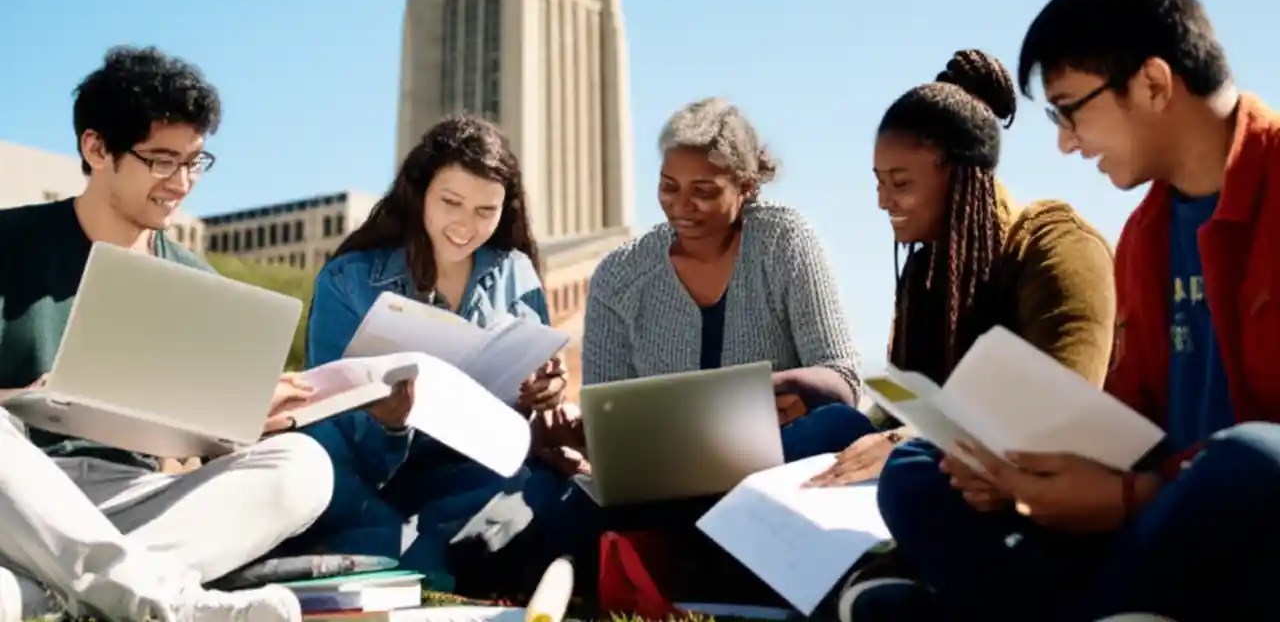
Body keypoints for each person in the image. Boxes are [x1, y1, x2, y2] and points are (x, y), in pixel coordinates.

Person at [845, 0, 1280, 622]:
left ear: (1154, 83)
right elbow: (1132, 423)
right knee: (917, 477)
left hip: (1239, 523)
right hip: (1142, 528)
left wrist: (1130, 497)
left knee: (1252, 463)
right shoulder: (1144, 234)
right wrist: (1021, 478)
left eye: (1071, 111)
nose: (1068, 144)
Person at [0, 46, 334, 622]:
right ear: (96, 148)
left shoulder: (197, 283)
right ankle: (164, 602)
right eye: (161, 161)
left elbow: (186, 464)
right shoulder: (10, 243)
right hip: (22, 494)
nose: (181, 183)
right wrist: (28, 400)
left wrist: (236, 420)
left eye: (194, 162)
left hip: (136, 499)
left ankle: (53, 596)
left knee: (303, 468)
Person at [809, 48, 1115, 491]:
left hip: (1045, 490)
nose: (882, 201)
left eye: (901, 183)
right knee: (831, 427)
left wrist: (905, 440)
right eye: (879, 182)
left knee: (910, 466)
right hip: (942, 475)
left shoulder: (1058, 247)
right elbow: (908, 406)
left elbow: (1057, 408)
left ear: (962, 179)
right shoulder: (926, 271)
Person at [296, 115, 569, 593]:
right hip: (375, 480)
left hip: (475, 472)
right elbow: (324, 422)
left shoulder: (517, 273)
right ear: (419, 193)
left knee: (551, 491)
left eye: (487, 211)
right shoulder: (348, 280)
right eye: (451, 202)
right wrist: (387, 420)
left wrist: (543, 391)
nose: (466, 225)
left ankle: (461, 553)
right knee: (343, 510)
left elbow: (523, 406)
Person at [582, 97, 870, 462]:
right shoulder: (620, 274)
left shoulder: (783, 241)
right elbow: (603, 419)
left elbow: (843, 379)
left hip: (775, 458)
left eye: (703, 191)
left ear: (746, 186)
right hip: (667, 469)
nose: (682, 205)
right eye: (669, 186)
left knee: (840, 426)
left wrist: (772, 388)